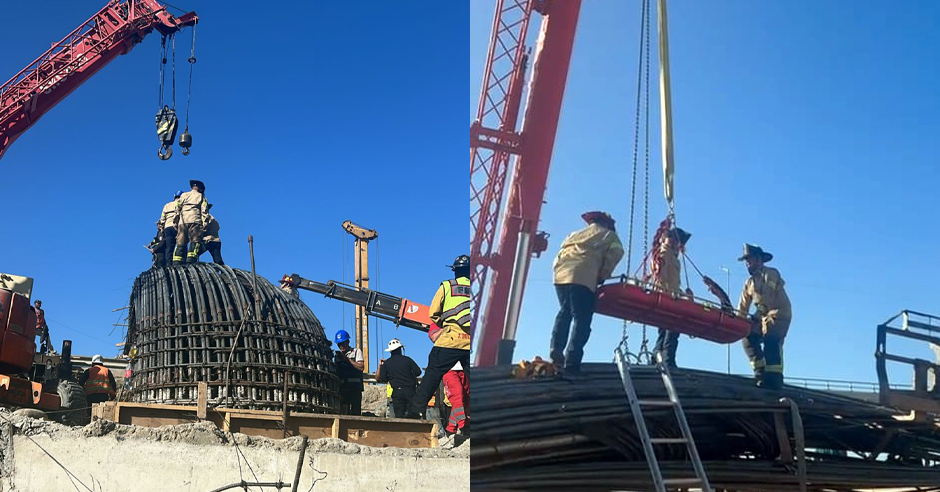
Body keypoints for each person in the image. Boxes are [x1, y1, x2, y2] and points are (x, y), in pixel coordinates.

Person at [550, 211, 624, 373]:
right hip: (584, 276)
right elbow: (617, 253)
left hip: (561, 276)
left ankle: (556, 348)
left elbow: (558, 257)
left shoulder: (573, 235)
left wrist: (559, 273)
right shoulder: (609, 235)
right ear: (607, 224)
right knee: (582, 320)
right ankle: (572, 363)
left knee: (565, 312)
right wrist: (602, 275)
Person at [407, 255, 472, 419]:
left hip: (451, 338)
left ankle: (417, 410)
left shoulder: (447, 286)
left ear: (455, 271)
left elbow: (433, 313)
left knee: (433, 373)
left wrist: (446, 325)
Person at [737, 244, 792, 390]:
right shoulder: (749, 283)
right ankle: (760, 372)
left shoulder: (771, 273)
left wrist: (759, 313)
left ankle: (775, 379)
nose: (747, 263)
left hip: (779, 315)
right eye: (746, 261)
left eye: (750, 259)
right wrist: (737, 323)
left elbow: (768, 294)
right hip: (762, 318)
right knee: (747, 337)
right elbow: (742, 307)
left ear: (759, 259)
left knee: (771, 339)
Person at [649, 227, 691, 369]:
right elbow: (661, 279)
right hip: (666, 299)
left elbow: (672, 283)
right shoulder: (664, 254)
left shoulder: (672, 257)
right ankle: (667, 360)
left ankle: (657, 357)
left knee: (665, 332)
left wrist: (683, 295)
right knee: (672, 330)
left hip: (670, 296)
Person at [375, 338, 421, 419]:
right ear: (400, 349)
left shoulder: (387, 363)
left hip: (397, 392)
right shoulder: (408, 360)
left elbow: (382, 379)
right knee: (413, 416)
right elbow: (418, 372)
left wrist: (381, 367)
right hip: (410, 391)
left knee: (399, 417)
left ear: (390, 351)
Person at [173, 180, 208, 265]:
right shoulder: (201, 196)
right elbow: (204, 210)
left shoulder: (183, 195)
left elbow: (177, 208)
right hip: (195, 221)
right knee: (195, 241)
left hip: (183, 222)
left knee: (181, 242)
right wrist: (205, 222)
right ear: (200, 188)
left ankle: (177, 262)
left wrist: (175, 222)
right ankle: (191, 261)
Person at [333, 329, 364, 415]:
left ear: (348, 342)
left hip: (355, 388)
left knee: (356, 412)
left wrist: (348, 360)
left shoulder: (356, 352)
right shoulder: (338, 357)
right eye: (339, 344)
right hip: (343, 388)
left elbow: (361, 367)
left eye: (342, 343)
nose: (341, 346)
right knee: (343, 412)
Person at [158, 191, 183, 266]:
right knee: (180, 245)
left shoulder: (167, 205)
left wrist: (162, 227)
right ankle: (179, 263)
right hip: (177, 227)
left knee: (169, 247)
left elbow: (162, 218)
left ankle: (168, 264)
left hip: (167, 228)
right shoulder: (181, 204)